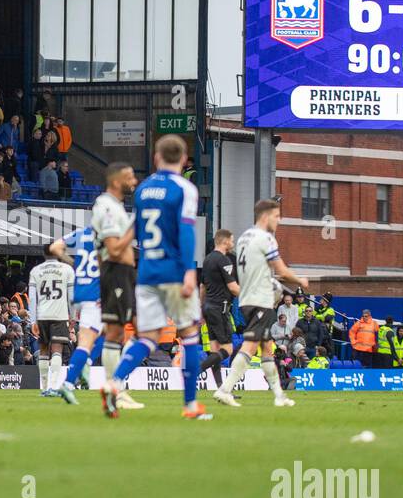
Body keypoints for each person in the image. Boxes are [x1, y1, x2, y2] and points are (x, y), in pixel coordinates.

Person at [104, 136, 208, 420]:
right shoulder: (184, 188)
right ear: (185, 159)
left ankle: (114, 383)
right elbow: (187, 231)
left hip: (147, 272)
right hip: (174, 270)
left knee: (147, 337)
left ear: (156, 158)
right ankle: (190, 405)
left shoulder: (144, 189)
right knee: (188, 334)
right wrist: (189, 271)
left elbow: (135, 228)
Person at [213, 198, 308, 409]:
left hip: (246, 299)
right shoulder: (267, 238)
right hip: (260, 299)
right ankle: (225, 389)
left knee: (267, 349)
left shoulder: (244, 237)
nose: (279, 220)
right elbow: (281, 270)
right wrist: (300, 280)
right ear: (265, 216)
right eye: (276, 215)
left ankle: (279, 395)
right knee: (251, 345)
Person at [91, 161, 143, 410]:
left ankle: (116, 387)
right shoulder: (108, 207)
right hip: (116, 273)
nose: (134, 182)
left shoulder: (117, 206)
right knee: (118, 332)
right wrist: (135, 229)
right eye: (130, 177)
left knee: (130, 331)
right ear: (115, 181)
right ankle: (115, 389)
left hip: (122, 274)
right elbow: (112, 248)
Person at [50, 225, 104, 404]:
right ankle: (82, 370)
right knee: (109, 335)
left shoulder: (82, 233)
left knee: (102, 335)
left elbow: (55, 247)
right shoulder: (110, 235)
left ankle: (74, 377)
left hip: (81, 292)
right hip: (97, 294)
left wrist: (74, 263)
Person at [27, 243, 75, 395]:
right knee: (57, 350)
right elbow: (71, 297)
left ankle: (43, 387)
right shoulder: (67, 269)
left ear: (44, 254)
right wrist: (73, 316)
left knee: (43, 350)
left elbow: (32, 299)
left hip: (42, 315)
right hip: (59, 315)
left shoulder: (36, 270)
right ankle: (53, 387)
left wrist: (33, 320)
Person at [199, 228, 240, 389]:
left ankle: (221, 389)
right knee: (228, 349)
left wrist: (201, 307)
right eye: (232, 239)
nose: (233, 242)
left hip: (208, 307)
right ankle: (195, 371)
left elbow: (202, 287)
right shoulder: (224, 260)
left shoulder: (207, 259)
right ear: (225, 241)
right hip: (220, 308)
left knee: (215, 350)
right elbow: (233, 288)